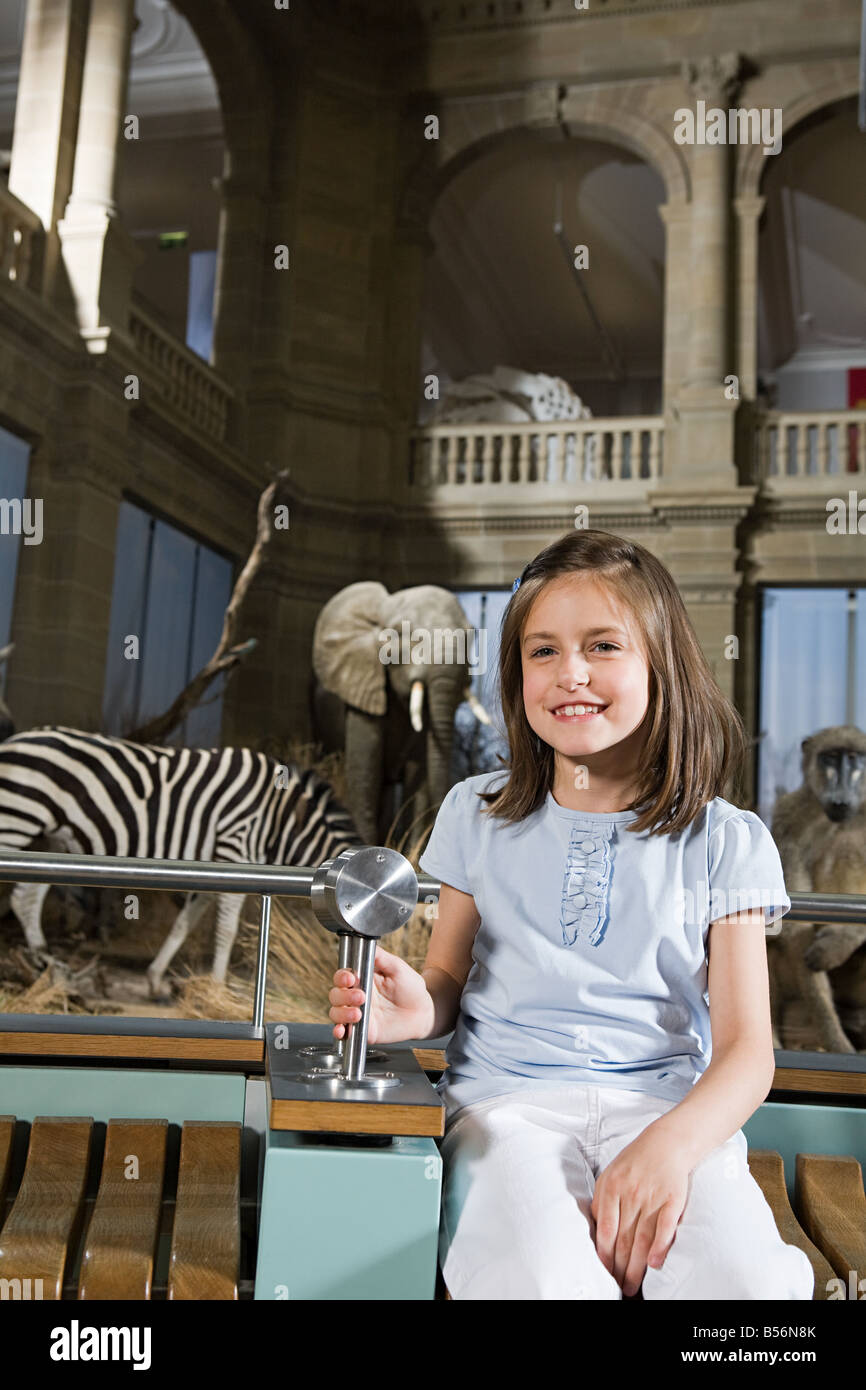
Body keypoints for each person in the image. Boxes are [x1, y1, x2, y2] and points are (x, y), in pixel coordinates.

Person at [328, 528, 815, 1301]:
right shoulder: (474, 812)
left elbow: (749, 1051)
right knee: (541, 1283)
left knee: (748, 1290)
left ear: (662, 662)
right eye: (542, 651)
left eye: (603, 646)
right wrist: (417, 1008)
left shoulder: (728, 839)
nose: (571, 674)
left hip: (669, 1114)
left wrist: (667, 1149)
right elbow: (447, 975)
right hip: (506, 1114)